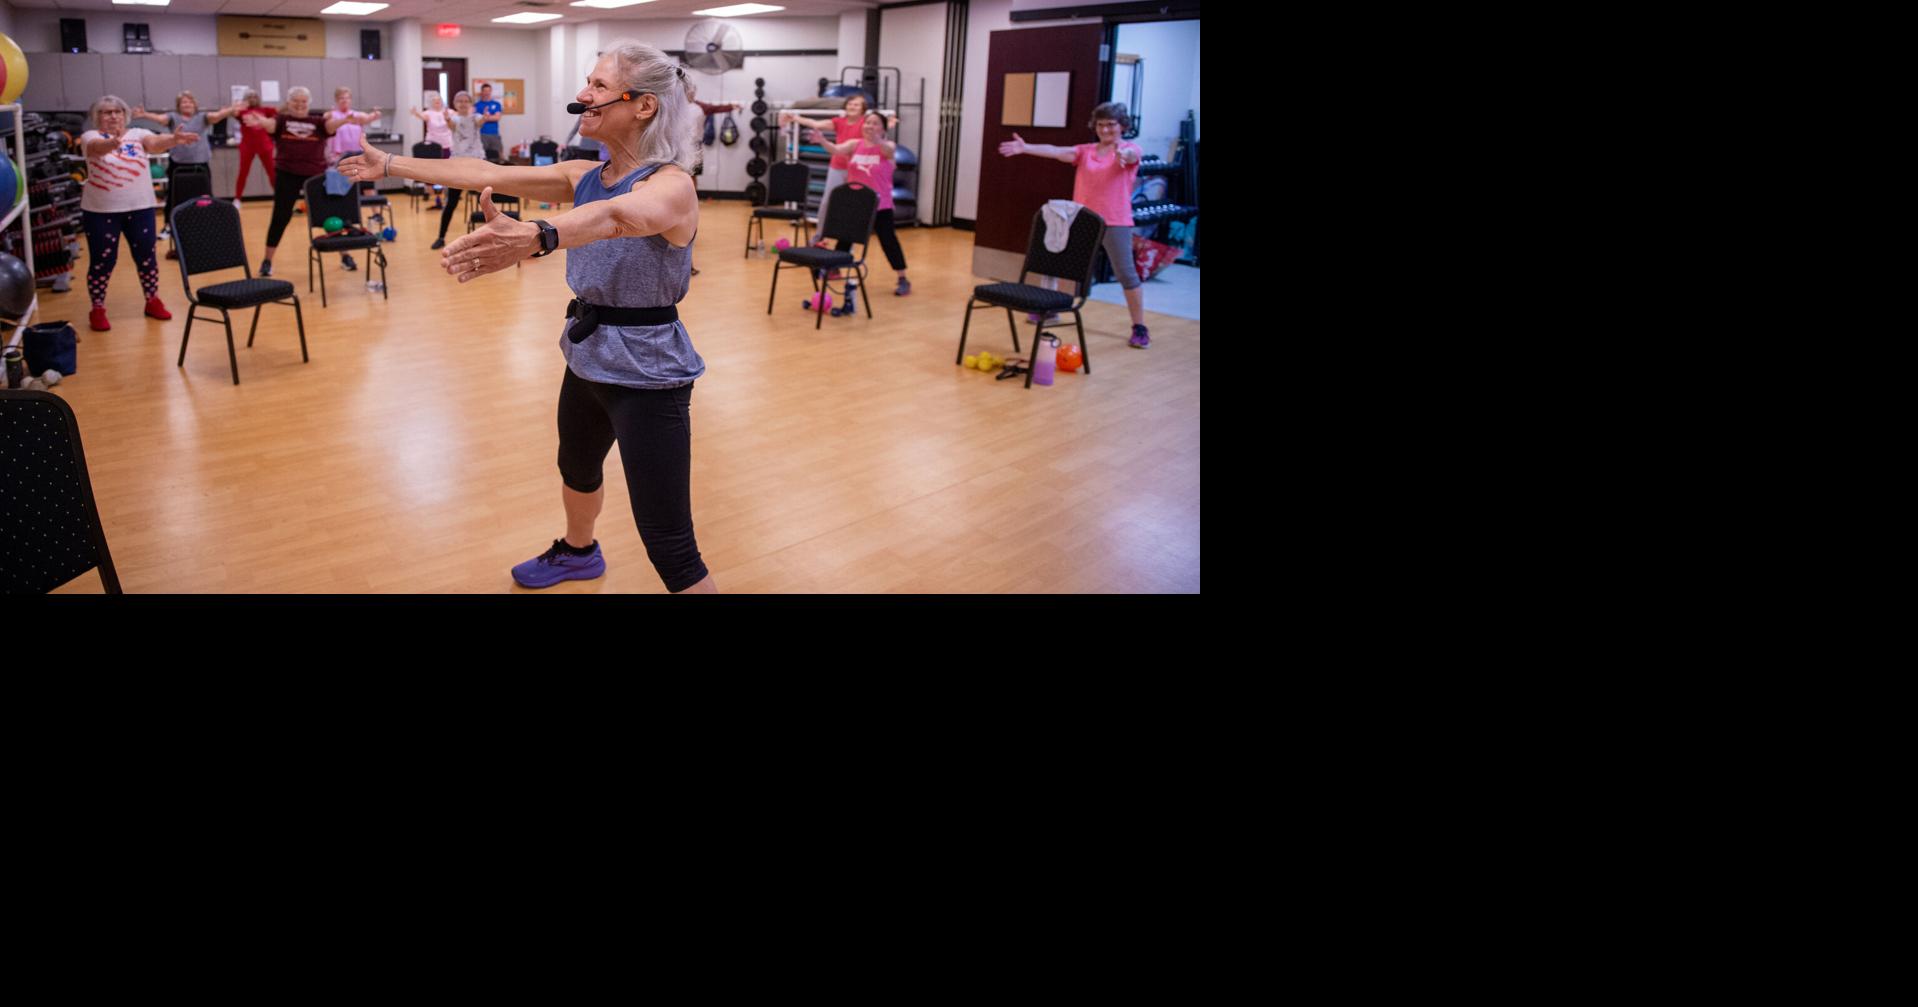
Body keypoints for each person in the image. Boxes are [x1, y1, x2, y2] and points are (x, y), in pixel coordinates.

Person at [340, 42, 718, 594]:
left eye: (596, 85)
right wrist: (392, 164)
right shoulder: (583, 172)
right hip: (587, 352)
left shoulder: (672, 184)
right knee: (577, 467)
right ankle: (579, 551)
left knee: (670, 542)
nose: (582, 95)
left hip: (647, 372)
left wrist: (540, 235)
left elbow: (617, 217)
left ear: (642, 105)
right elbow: (484, 170)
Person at [997, 101, 1151, 348]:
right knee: (1061, 265)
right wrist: (1025, 148)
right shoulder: (1086, 151)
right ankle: (1052, 310)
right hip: (1082, 219)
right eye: (1100, 125)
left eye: (1111, 125)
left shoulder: (1130, 149)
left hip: (1115, 221)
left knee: (1126, 273)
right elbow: (1056, 150)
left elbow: (1131, 156)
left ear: (1122, 126)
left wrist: (1124, 154)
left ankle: (1140, 327)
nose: (1105, 130)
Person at [77, 95, 201, 331]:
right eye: (106, 112)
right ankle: (98, 308)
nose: (113, 115)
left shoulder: (137, 134)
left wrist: (173, 139)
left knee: (147, 257)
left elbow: (154, 142)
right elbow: (96, 149)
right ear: (97, 117)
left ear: (125, 115)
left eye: (117, 111)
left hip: (141, 207)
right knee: (103, 261)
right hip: (101, 211)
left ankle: (152, 300)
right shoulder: (90, 136)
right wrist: (111, 144)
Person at [252, 86, 379, 278]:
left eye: (304, 101)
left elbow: (330, 127)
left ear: (308, 103)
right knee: (280, 217)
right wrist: (260, 121)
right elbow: (270, 125)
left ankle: (344, 255)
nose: (300, 105)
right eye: (296, 101)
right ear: (289, 103)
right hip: (287, 174)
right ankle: (267, 261)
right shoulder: (282, 120)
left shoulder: (318, 121)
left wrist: (345, 120)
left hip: (315, 176)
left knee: (330, 215)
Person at [133, 90, 242, 259]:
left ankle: (205, 236)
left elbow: (215, 116)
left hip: (200, 166)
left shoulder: (202, 118)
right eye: (184, 102)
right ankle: (171, 230)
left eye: (190, 102)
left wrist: (230, 110)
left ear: (195, 104)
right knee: (175, 201)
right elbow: (161, 119)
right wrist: (145, 114)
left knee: (205, 201)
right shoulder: (173, 117)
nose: (187, 105)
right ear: (178, 106)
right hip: (178, 166)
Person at [810, 110, 910, 296]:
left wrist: (877, 140)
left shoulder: (887, 146)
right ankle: (834, 268)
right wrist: (822, 140)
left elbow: (888, 151)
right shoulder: (855, 144)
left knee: (888, 241)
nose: (869, 126)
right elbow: (837, 150)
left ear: (883, 128)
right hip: (856, 202)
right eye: (867, 123)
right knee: (845, 237)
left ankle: (902, 278)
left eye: (875, 123)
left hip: (880, 204)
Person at [781, 92, 896, 239]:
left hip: (857, 170)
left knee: (852, 206)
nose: (852, 106)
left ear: (863, 108)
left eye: (856, 104)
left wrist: (888, 122)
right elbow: (816, 124)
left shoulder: (866, 124)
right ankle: (820, 236)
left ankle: (849, 242)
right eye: (850, 104)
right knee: (827, 202)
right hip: (837, 166)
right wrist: (795, 118)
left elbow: (880, 136)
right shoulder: (839, 122)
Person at [431, 91, 487, 250]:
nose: (463, 103)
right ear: (455, 104)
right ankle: (441, 237)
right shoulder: (454, 118)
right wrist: (447, 118)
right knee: (451, 202)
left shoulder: (475, 117)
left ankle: (488, 236)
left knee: (484, 200)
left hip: (476, 162)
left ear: (470, 103)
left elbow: (480, 122)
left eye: (465, 101)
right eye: (459, 101)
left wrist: (485, 117)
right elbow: (451, 125)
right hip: (458, 163)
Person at [410, 93, 456, 209]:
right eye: (435, 101)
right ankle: (437, 199)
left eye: (439, 101)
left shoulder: (448, 111)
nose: (437, 103)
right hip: (432, 147)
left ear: (442, 102)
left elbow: (458, 117)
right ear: (431, 103)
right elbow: (422, 117)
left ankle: (446, 197)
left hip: (446, 145)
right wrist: (415, 113)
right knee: (431, 173)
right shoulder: (428, 113)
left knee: (446, 173)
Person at [232, 89, 275, 205]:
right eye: (249, 97)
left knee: (272, 172)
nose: (252, 99)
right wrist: (240, 106)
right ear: (245, 100)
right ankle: (237, 198)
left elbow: (279, 112)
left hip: (265, 145)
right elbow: (233, 112)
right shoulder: (242, 112)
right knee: (243, 173)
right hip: (247, 146)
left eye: (254, 97)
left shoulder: (265, 110)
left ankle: (279, 197)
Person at [474, 83, 504, 161]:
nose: (487, 93)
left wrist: (484, 118)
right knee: (483, 158)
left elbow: (497, 117)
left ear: (491, 92)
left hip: (494, 134)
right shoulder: (476, 105)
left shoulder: (496, 104)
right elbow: (476, 120)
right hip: (481, 134)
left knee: (498, 156)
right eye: (485, 91)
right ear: (482, 92)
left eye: (489, 91)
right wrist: (487, 117)